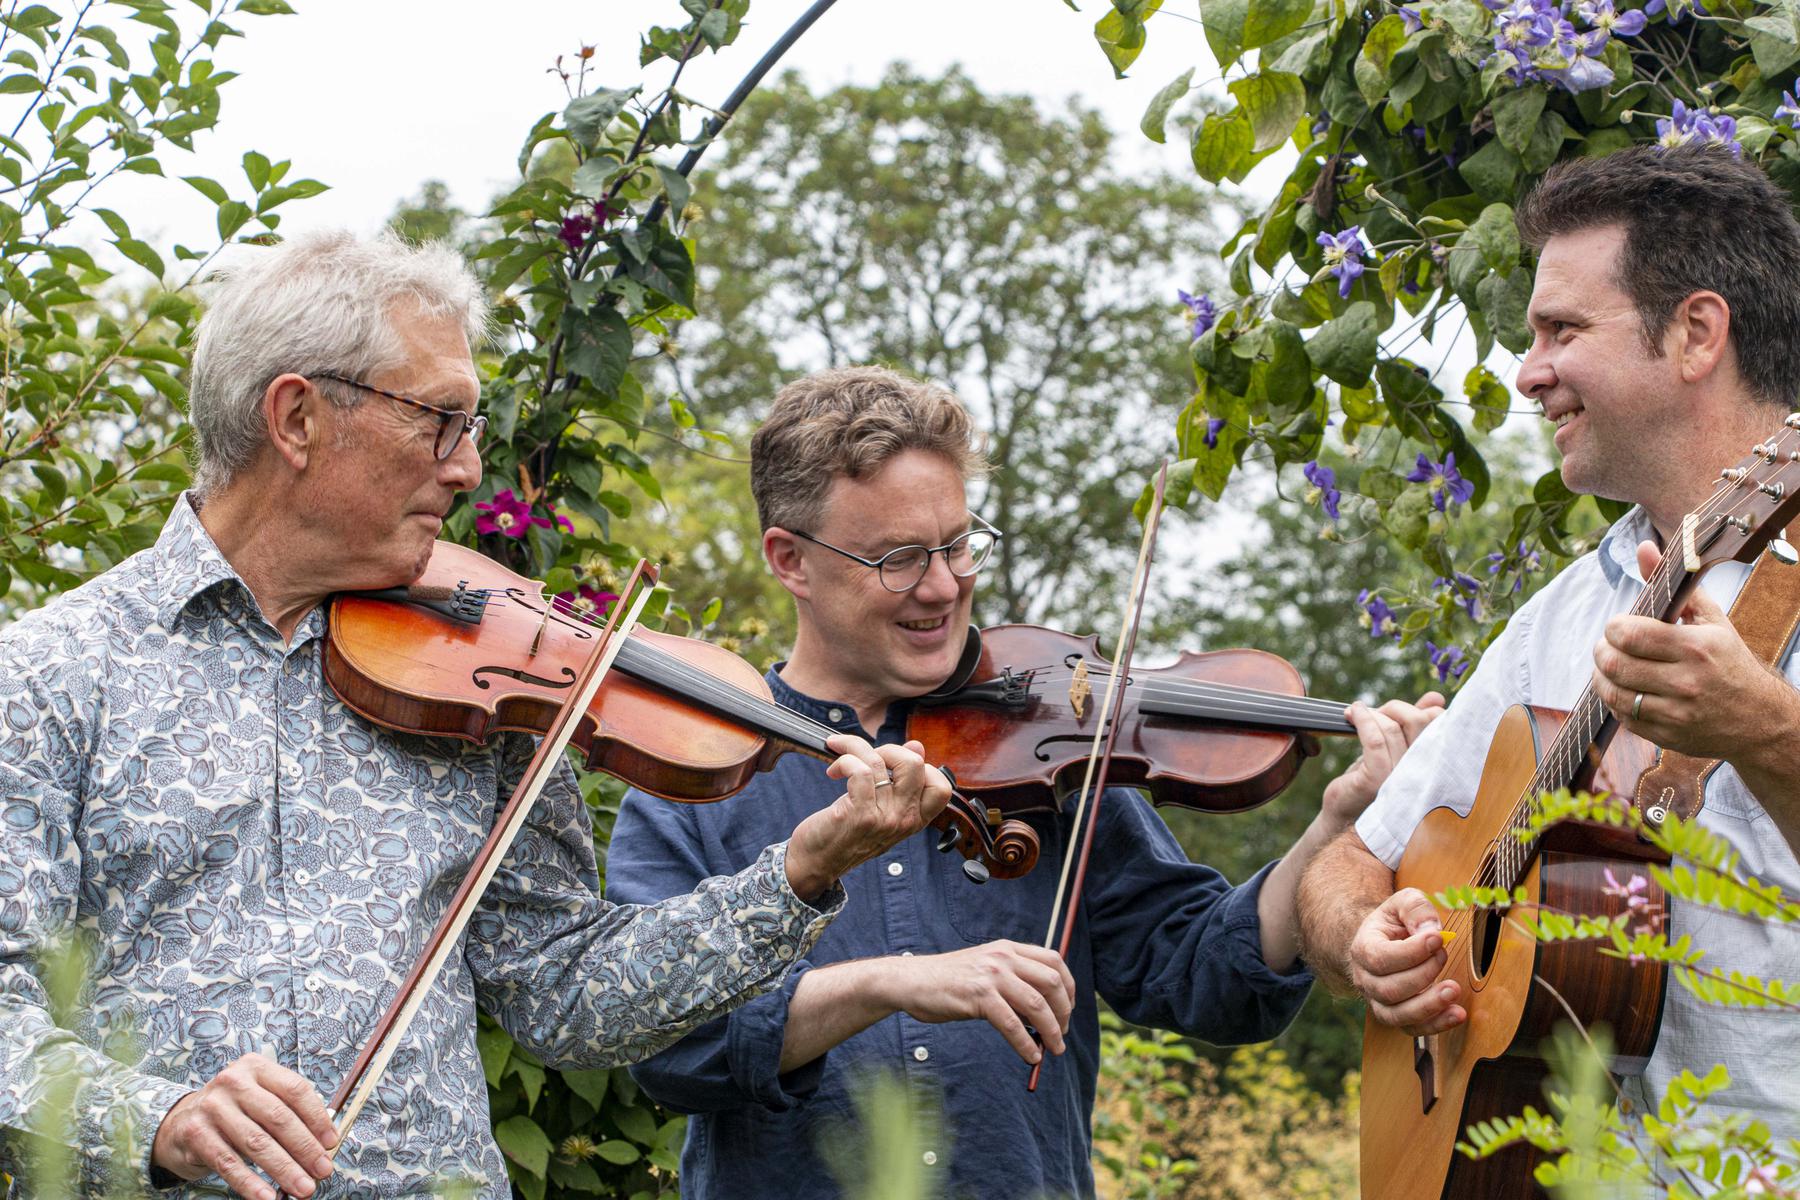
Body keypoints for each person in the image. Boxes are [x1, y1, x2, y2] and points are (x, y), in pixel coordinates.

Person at [0, 231, 955, 1200]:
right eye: (441, 419)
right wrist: (155, 1117)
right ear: (297, 420)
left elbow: (566, 993)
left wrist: (801, 871)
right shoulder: (54, 675)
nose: (467, 467)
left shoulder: (475, 683)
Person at [605, 365, 1444, 1198]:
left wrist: (1335, 825)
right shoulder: (698, 769)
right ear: (791, 560)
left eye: (959, 543)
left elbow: (1203, 976)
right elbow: (666, 1044)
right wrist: (886, 983)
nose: (942, 585)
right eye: (897, 558)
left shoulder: (1048, 741)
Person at [1297, 145, 1800, 1166]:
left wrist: (1769, 736)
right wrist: (1364, 935)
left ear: (1698, 333)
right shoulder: (1560, 617)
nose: (1527, 373)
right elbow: (1353, 859)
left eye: (1561, 330)